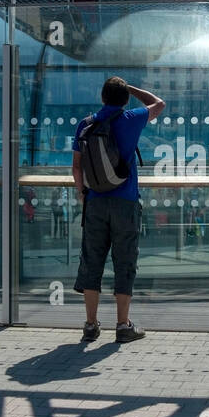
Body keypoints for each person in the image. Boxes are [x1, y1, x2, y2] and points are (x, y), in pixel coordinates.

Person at [71, 76, 165, 342]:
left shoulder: (85, 125)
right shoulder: (131, 118)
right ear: (125, 99)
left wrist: (82, 193)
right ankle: (123, 326)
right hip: (125, 201)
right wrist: (131, 89)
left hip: (95, 201)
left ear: (102, 97)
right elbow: (159, 103)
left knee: (92, 260)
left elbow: (77, 166)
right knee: (125, 261)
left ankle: (90, 325)